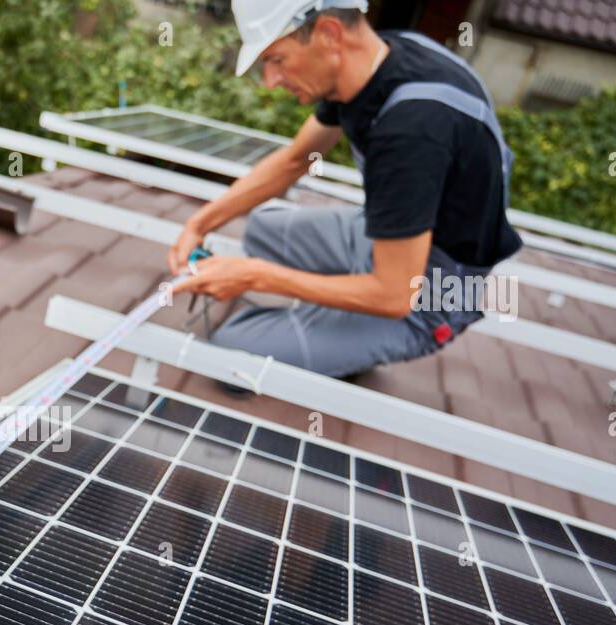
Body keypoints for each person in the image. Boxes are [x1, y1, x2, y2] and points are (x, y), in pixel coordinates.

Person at [170, 0, 522, 380]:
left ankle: (346, 331)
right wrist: (199, 223)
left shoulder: (414, 128)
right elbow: (296, 160)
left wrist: (254, 276)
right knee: (260, 228)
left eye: (277, 59)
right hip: (388, 240)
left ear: (329, 34)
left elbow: (394, 295)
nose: (270, 81)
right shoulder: (380, 57)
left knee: (231, 352)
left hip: (428, 293)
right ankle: (336, 318)